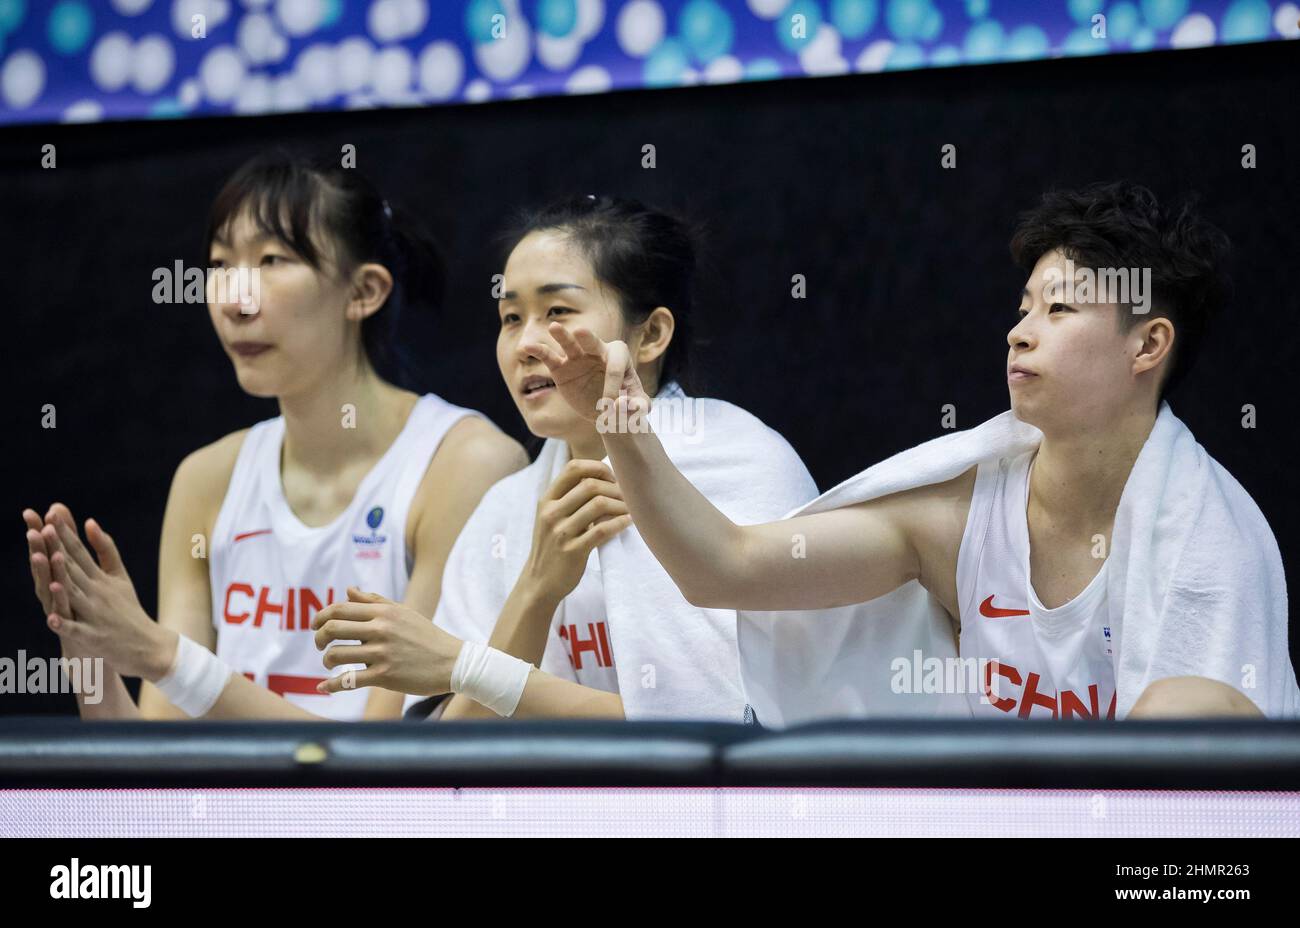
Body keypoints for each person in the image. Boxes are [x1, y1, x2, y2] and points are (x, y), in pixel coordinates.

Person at [526, 181, 1300, 722]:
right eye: (1023, 307)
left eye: (1060, 309)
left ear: (1148, 345)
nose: (1020, 331)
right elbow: (723, 567)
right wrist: (622, 428)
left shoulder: (1211, 546)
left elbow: (1218, 795)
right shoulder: (960, 511)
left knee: (1188, 709)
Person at [24, 149, 526, 721]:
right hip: (218, 814)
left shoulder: (464, 465)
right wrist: (90, 650)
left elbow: (390, 762)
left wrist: (165, 657)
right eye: (220, 266)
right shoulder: (206, 478)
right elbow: (153, 762)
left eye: (271, 260)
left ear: (364, 292)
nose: (236, 300)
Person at [311, 195, 820, 720]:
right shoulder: (503, 511)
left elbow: (725, 728)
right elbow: (452, 754)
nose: (526, 344)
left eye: (557, 311)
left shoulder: (738, 460)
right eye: (510, 317)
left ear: (651, 335)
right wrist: (538, 587)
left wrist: (466, 664)